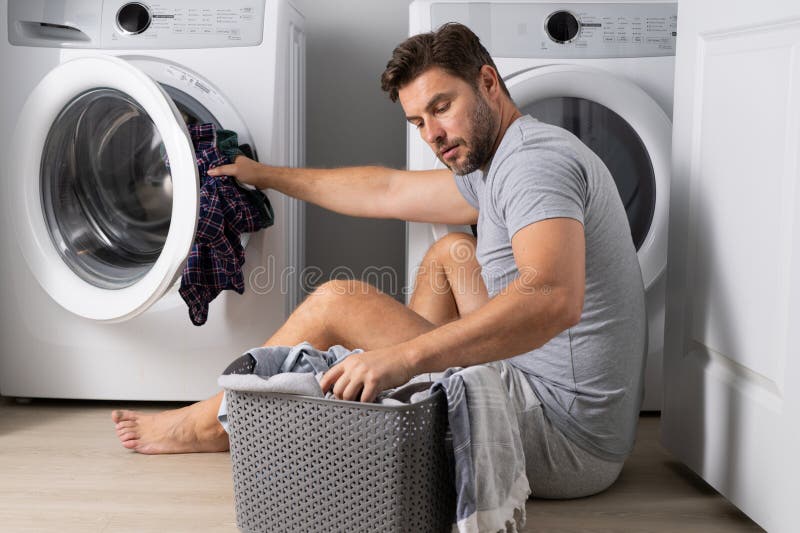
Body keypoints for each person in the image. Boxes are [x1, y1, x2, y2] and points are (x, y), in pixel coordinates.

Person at [112, 22, 646, 498]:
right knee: (451, 252)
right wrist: (263, 174)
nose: (433, 135)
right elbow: (386, 191)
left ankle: (212, 425)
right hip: (553, 401)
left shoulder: (533, 164)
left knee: (338, 300)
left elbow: (553, 300)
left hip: (565, 440)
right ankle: (407, 416)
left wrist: (405, 358)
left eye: (442, 107)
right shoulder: (496, 161)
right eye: (418, 121)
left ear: (488, 83)